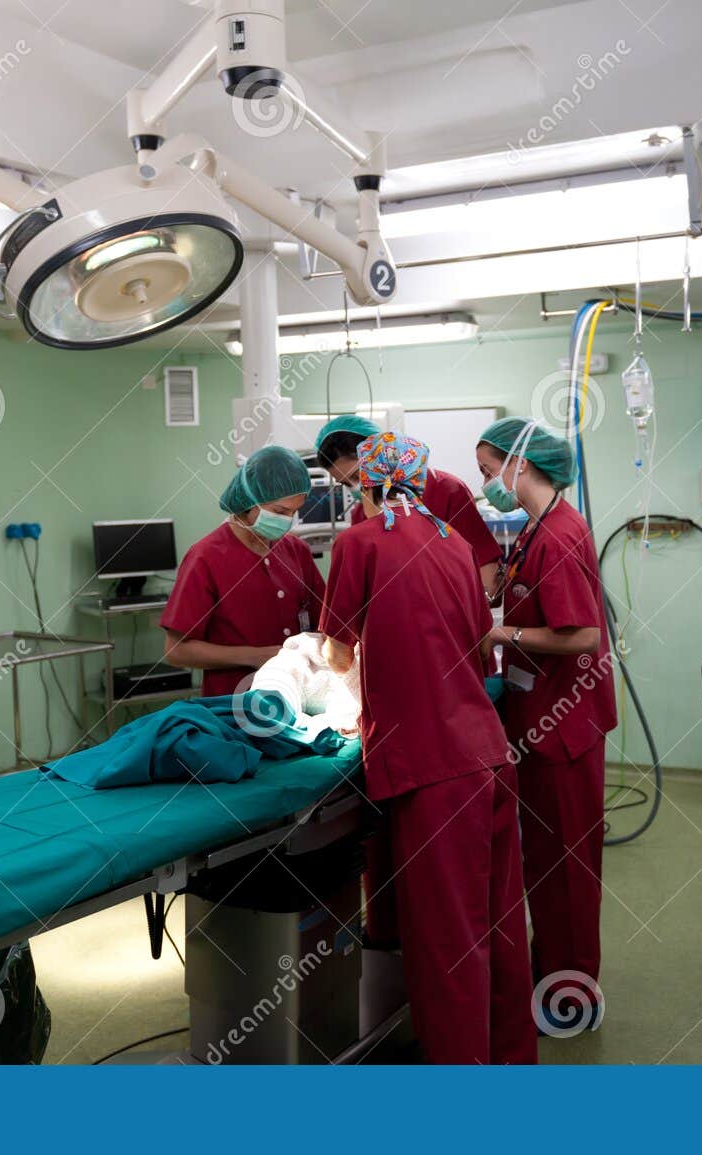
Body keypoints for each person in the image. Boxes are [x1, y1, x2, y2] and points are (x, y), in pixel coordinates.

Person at [320, 431, 537, 1065]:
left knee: (448, 941)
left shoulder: (358, 542)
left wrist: (345, 676)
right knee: (498, 929)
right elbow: (475, 647)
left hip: (434, 769)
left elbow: (337, 650)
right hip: (488, 756)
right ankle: (510, 1063)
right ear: (419, 481)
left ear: (368, 484)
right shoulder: (454, 545)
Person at [476, 416, 617, 1032]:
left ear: (521, 466)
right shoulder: (538, 529)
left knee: (565, 871)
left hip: (565, 727)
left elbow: (584, 632)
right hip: (541, 720)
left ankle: (572, 998)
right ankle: (551, 973)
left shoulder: (559, 534)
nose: (488, 486)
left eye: (490, 472)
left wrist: (499, 634)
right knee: (546, 864)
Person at [161, 445, 325, 696]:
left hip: (297, 695)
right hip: (234, 701)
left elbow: (325, 621)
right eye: (280, 512)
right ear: (248, 501)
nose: (287, 520)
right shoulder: (206, 557)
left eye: (294, 512)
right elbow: (177, 650)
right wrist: (253, 656)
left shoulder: (296, 550)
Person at [315, 414, 502, 591]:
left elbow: (485, 564)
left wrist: (475, 609)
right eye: (347, 483)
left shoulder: (446, 490)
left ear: (380, 455)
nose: (357, 487)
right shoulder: (361, 514)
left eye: (358, 476)